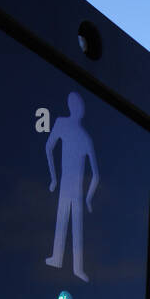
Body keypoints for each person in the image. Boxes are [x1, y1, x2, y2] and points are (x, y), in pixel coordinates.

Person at [44, 92, 99, 282]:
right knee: (65, 222)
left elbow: (96, 174)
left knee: (74, 225)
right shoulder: (64, 125)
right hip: (69, 185)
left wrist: (88, 198)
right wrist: (53, 178)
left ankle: (77, 268)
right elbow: (48, 147)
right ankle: (59, 259)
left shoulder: (84, 137)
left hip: (74, 187)